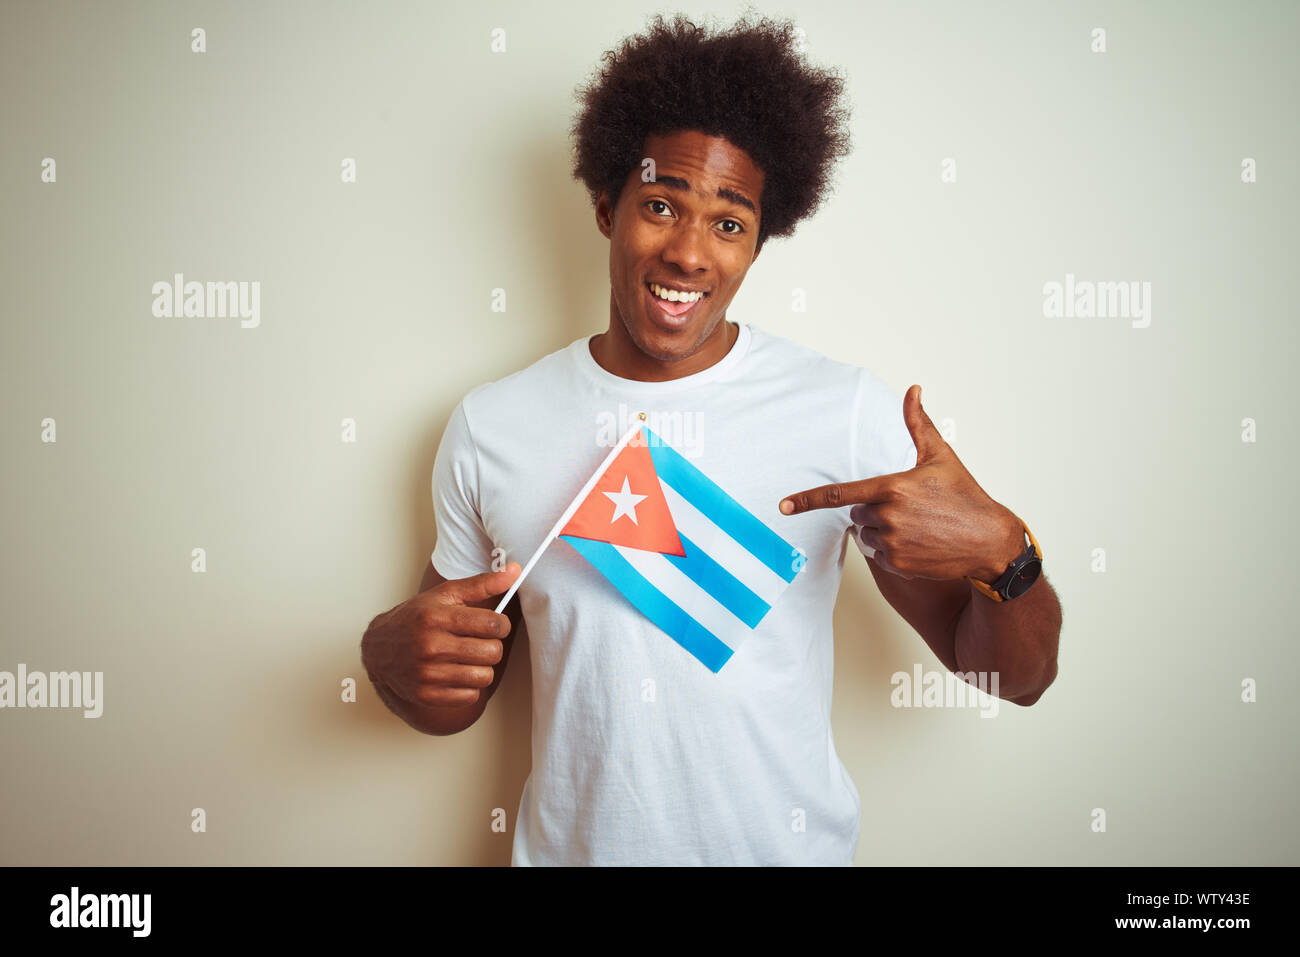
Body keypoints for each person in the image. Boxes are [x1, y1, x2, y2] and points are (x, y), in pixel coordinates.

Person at [360, 11, 1061, 866]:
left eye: (729, 223)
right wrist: (387, 657)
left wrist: (1006, 554)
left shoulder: (841, 412)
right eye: (661, 206)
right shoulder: (492, 425)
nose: (691, 252)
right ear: (606, 207)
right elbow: (452, 700)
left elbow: (1010, 679)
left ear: (758, 242)